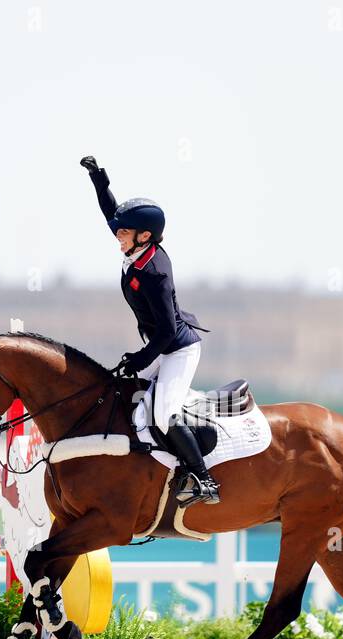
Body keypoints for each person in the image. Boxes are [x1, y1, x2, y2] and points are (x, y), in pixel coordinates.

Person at [80, 155, 220, 505]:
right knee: (126, 392)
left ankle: (203, 480)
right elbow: (110, 212)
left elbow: (168, 333)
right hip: (160, 345)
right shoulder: (138, 251)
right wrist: (98, 178)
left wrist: (140, 358)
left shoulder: (155, 272)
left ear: (144, 236)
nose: (117, 237)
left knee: (162, 412)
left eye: (123, 233)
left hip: (177, 348)